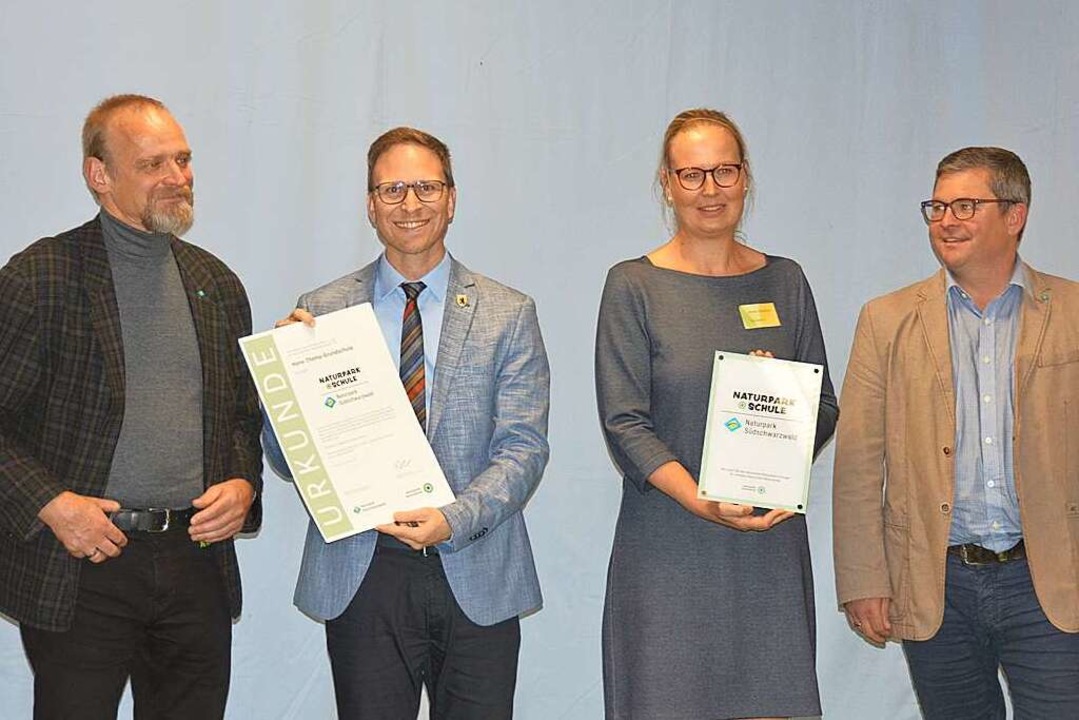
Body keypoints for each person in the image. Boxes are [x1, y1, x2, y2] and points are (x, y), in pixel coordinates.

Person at [264, 126, 550, 719]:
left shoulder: (509, 312)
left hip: (476, 564)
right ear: (370, 204)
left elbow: (523, 449)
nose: (410, 204)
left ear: (451, 198)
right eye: (392, 189)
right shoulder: (320, 313)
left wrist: (452, 520)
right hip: (365, 571)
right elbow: (289, 459)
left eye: (426, 187)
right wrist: (282, 384)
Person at [0, 94, 263, 719]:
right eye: (153, 165)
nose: (178, 178)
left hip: (195, 562)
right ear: (100, 176)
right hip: (83, 566)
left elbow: (238, 420)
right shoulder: (40, 278)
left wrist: (243, 484)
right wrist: (51, 504)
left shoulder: (218, 284)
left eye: (183, 159)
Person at [595, 108, 838, 720]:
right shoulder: (633, 286)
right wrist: (701, 498)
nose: (710, 190)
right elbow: (625, 423)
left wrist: (778, 397)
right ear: (667, 183)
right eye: (692, 174)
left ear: (746, 177)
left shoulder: (786, 281)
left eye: (724, 171)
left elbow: (825, 406)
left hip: (767, 548)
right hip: (669, 549)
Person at [833, 147, 1079, 719]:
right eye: (937, 206)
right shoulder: (886, 319)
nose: (946, 220)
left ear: (1014, 214)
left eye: (966, 205)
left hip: (1051, 583)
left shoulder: (1072, 311)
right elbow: (858, 463)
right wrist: (864, 579)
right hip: (936, 582)